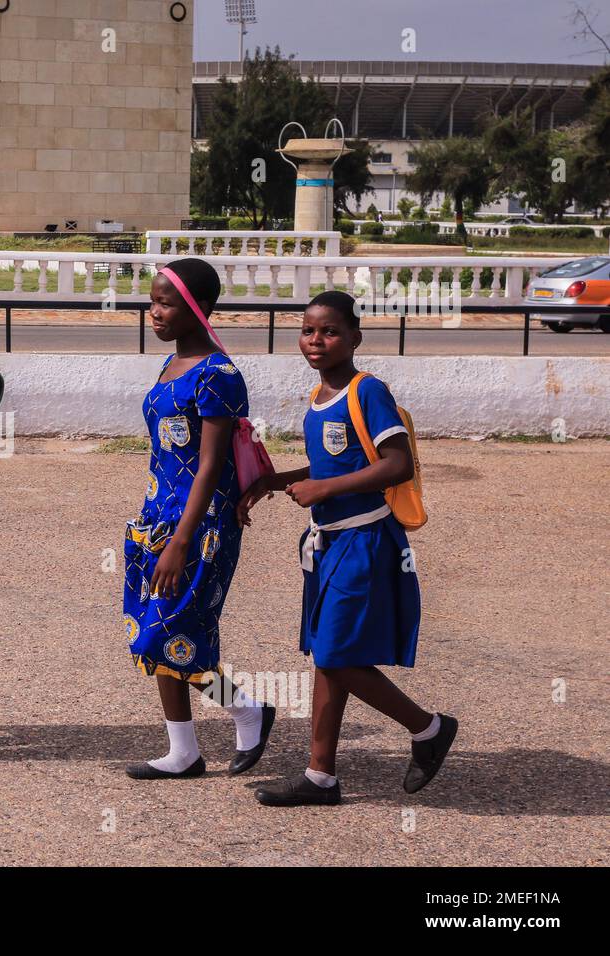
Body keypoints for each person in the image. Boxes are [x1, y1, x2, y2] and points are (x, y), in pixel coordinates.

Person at [239, 290, 457, 806]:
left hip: (365, 540)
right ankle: (320, 776)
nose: (316, 341)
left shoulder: (367, 391)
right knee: (327, 655)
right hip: (329, 543)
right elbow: (335, 466)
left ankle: (428, 729)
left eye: (330, 331)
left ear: (355, 337)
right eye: (308, 330)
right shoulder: (318, 397)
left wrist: (323, 490)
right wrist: (279, 480)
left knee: (336, 654)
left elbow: (396, 463)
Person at [122, 258, 274, 781]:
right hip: (156, 518)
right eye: (152, 301)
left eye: (165, 302)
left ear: (199, 308)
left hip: (199, 527)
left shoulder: (219, 375)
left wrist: (182, 540)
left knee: (171, 632)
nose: (154, 312)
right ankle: (182, 750)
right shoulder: (170, 367)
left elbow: (210, 464)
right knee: (155, 632)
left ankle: (246, 709)